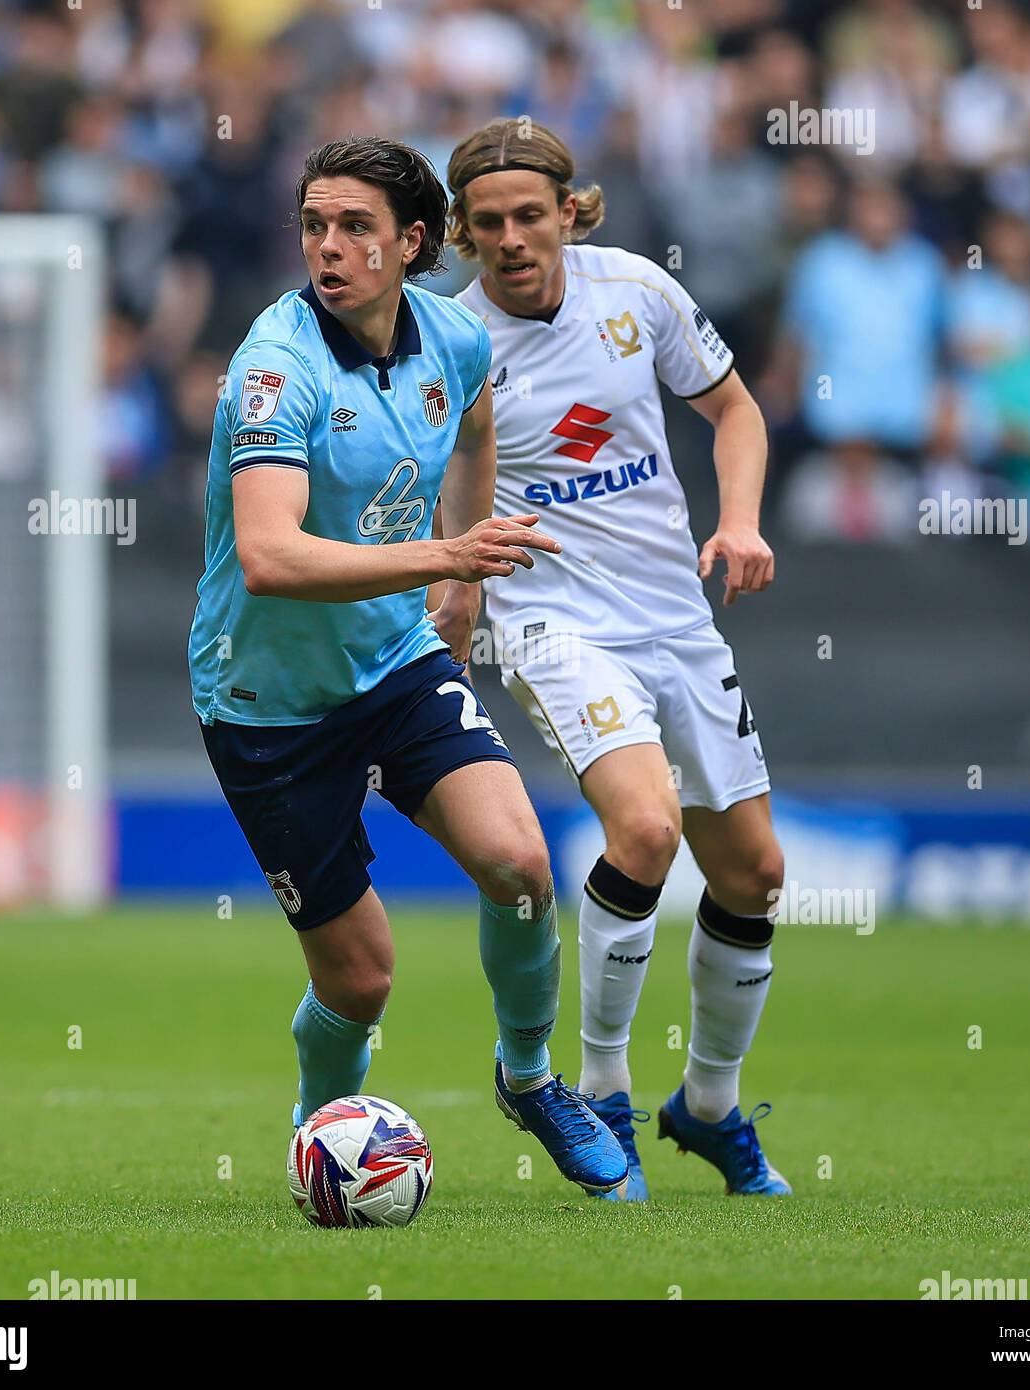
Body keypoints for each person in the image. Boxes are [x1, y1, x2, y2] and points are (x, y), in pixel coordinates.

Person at [187, 135, 628, 1196]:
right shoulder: (273, 368)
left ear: (414, 242)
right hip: (268, 704)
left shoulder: (453, 339)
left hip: (394, 660)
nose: (327, 249)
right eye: (313, 226)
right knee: (362, 977)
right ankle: (318, 1142)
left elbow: (474, 429)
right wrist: (448, 552)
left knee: (521, 865)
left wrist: (462, 588)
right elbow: (270, 554)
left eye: (354, 229)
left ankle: (527, 1077)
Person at [448, 118, 789, 1199]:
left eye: (529, 215)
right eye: (488, 221)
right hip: (548, 622)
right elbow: (434, 482)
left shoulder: (635, 291)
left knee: (755, 874)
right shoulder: (450, 342)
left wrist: (739, 520)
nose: (511, 238)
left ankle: (708, 1106)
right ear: (460, 231)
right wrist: (452, 586)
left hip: (675, 620)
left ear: (568, 211)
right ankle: (595, 1092)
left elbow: (733, 409)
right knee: (642, 829)